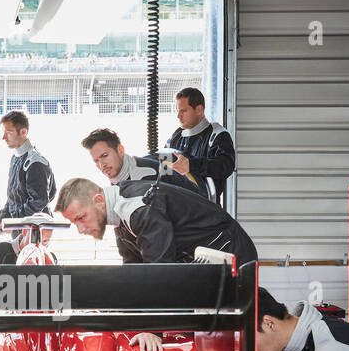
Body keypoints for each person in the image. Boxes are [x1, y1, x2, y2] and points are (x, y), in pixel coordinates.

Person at [55, 176, 257, 266]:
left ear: (98, 201)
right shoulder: (118, 214)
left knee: (242, 336)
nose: (80, 229)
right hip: (203, 259)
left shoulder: (136, 208)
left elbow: (159, 268)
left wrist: (152, 330)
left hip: (228, 251)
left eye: (81, 218)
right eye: (74, 222)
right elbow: (133, 267)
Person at [80, 127, 209, 198]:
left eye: (105, 156)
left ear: (120, 150)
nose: (102, 165)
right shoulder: (120, 177)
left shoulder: (145, 177)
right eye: (96, 161)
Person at [166, 87, 236, 207]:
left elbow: (226, 165)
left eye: (183, 111)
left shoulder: (217, 135)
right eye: (177, 111)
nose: (178, 116)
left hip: (206, 212)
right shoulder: (175, 137)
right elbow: (163, 169)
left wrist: (191, 165)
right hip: (178, 212)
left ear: (199, 110)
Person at [0, 110, 56, 229]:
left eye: (9, 132)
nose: (4, 137)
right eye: (3, 132)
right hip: (21, 227)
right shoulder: (16, 159)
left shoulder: (35, 162)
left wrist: (14, 221)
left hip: (35, 230)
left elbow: (41, 200)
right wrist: (3, 218)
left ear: (23, 131)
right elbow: (13, 197)